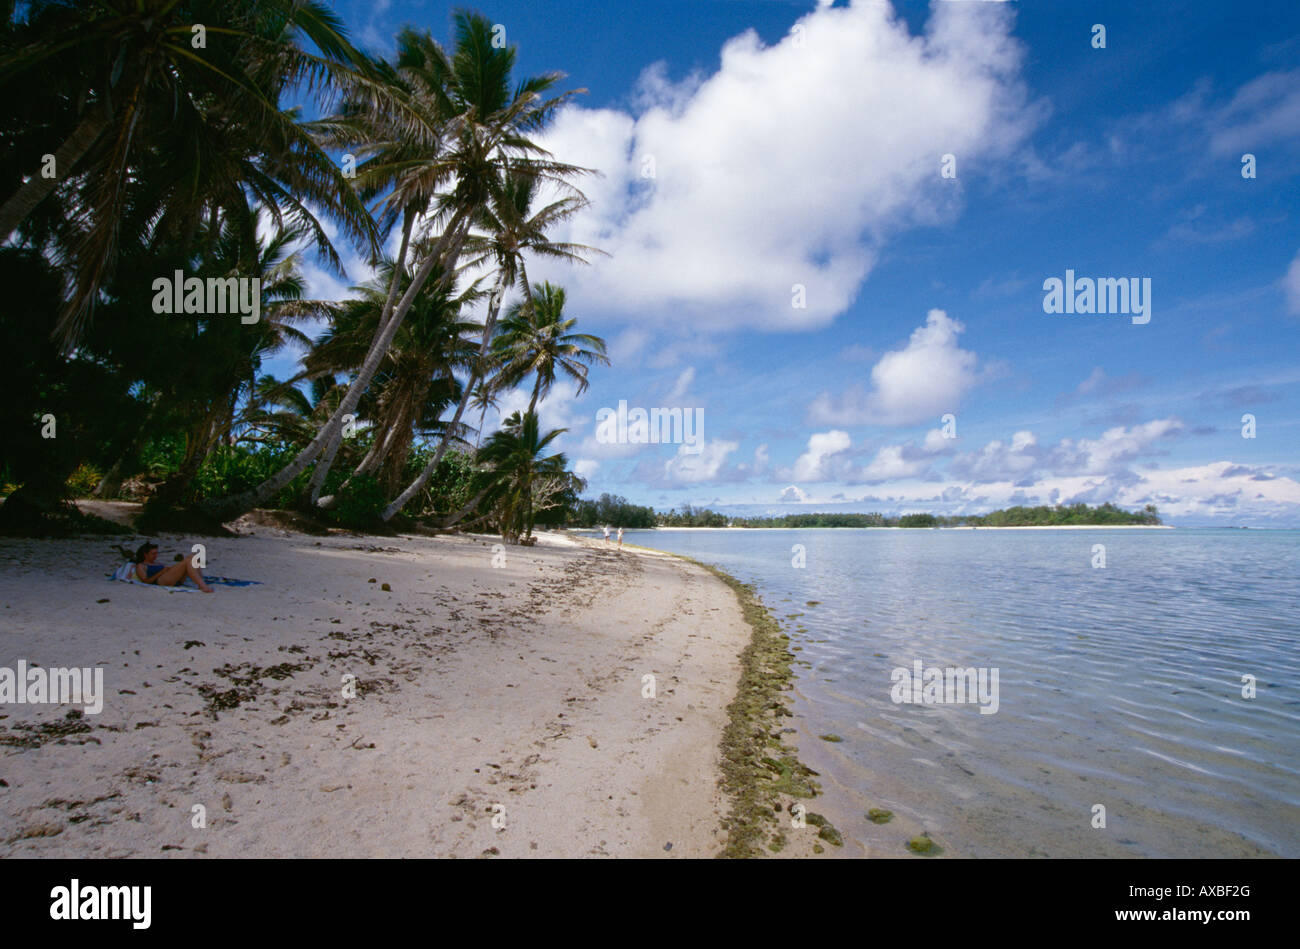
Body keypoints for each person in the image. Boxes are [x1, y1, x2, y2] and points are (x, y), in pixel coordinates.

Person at [132, 541, 213, 593]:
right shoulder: (141, 565)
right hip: (160, 581)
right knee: (188, 561)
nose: (156, 556)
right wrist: (162, 572)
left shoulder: (157, 563)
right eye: (153, 554)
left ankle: (201, 582)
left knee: (193, 557)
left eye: (156, 553)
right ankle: (203, 586)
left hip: (171, 579)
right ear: (145, 554)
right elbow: (146, 581)